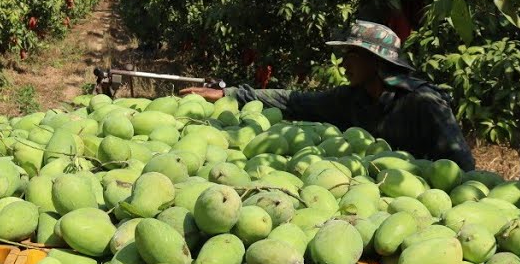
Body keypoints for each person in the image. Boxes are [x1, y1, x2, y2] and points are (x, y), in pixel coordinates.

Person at [180, 21, 476, 170]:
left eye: (350, 55)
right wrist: (228, 94)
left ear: (375, 61)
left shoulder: (423, 103)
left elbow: (462, 168)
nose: (343, 63)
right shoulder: (350, 99)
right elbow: (292, 101)